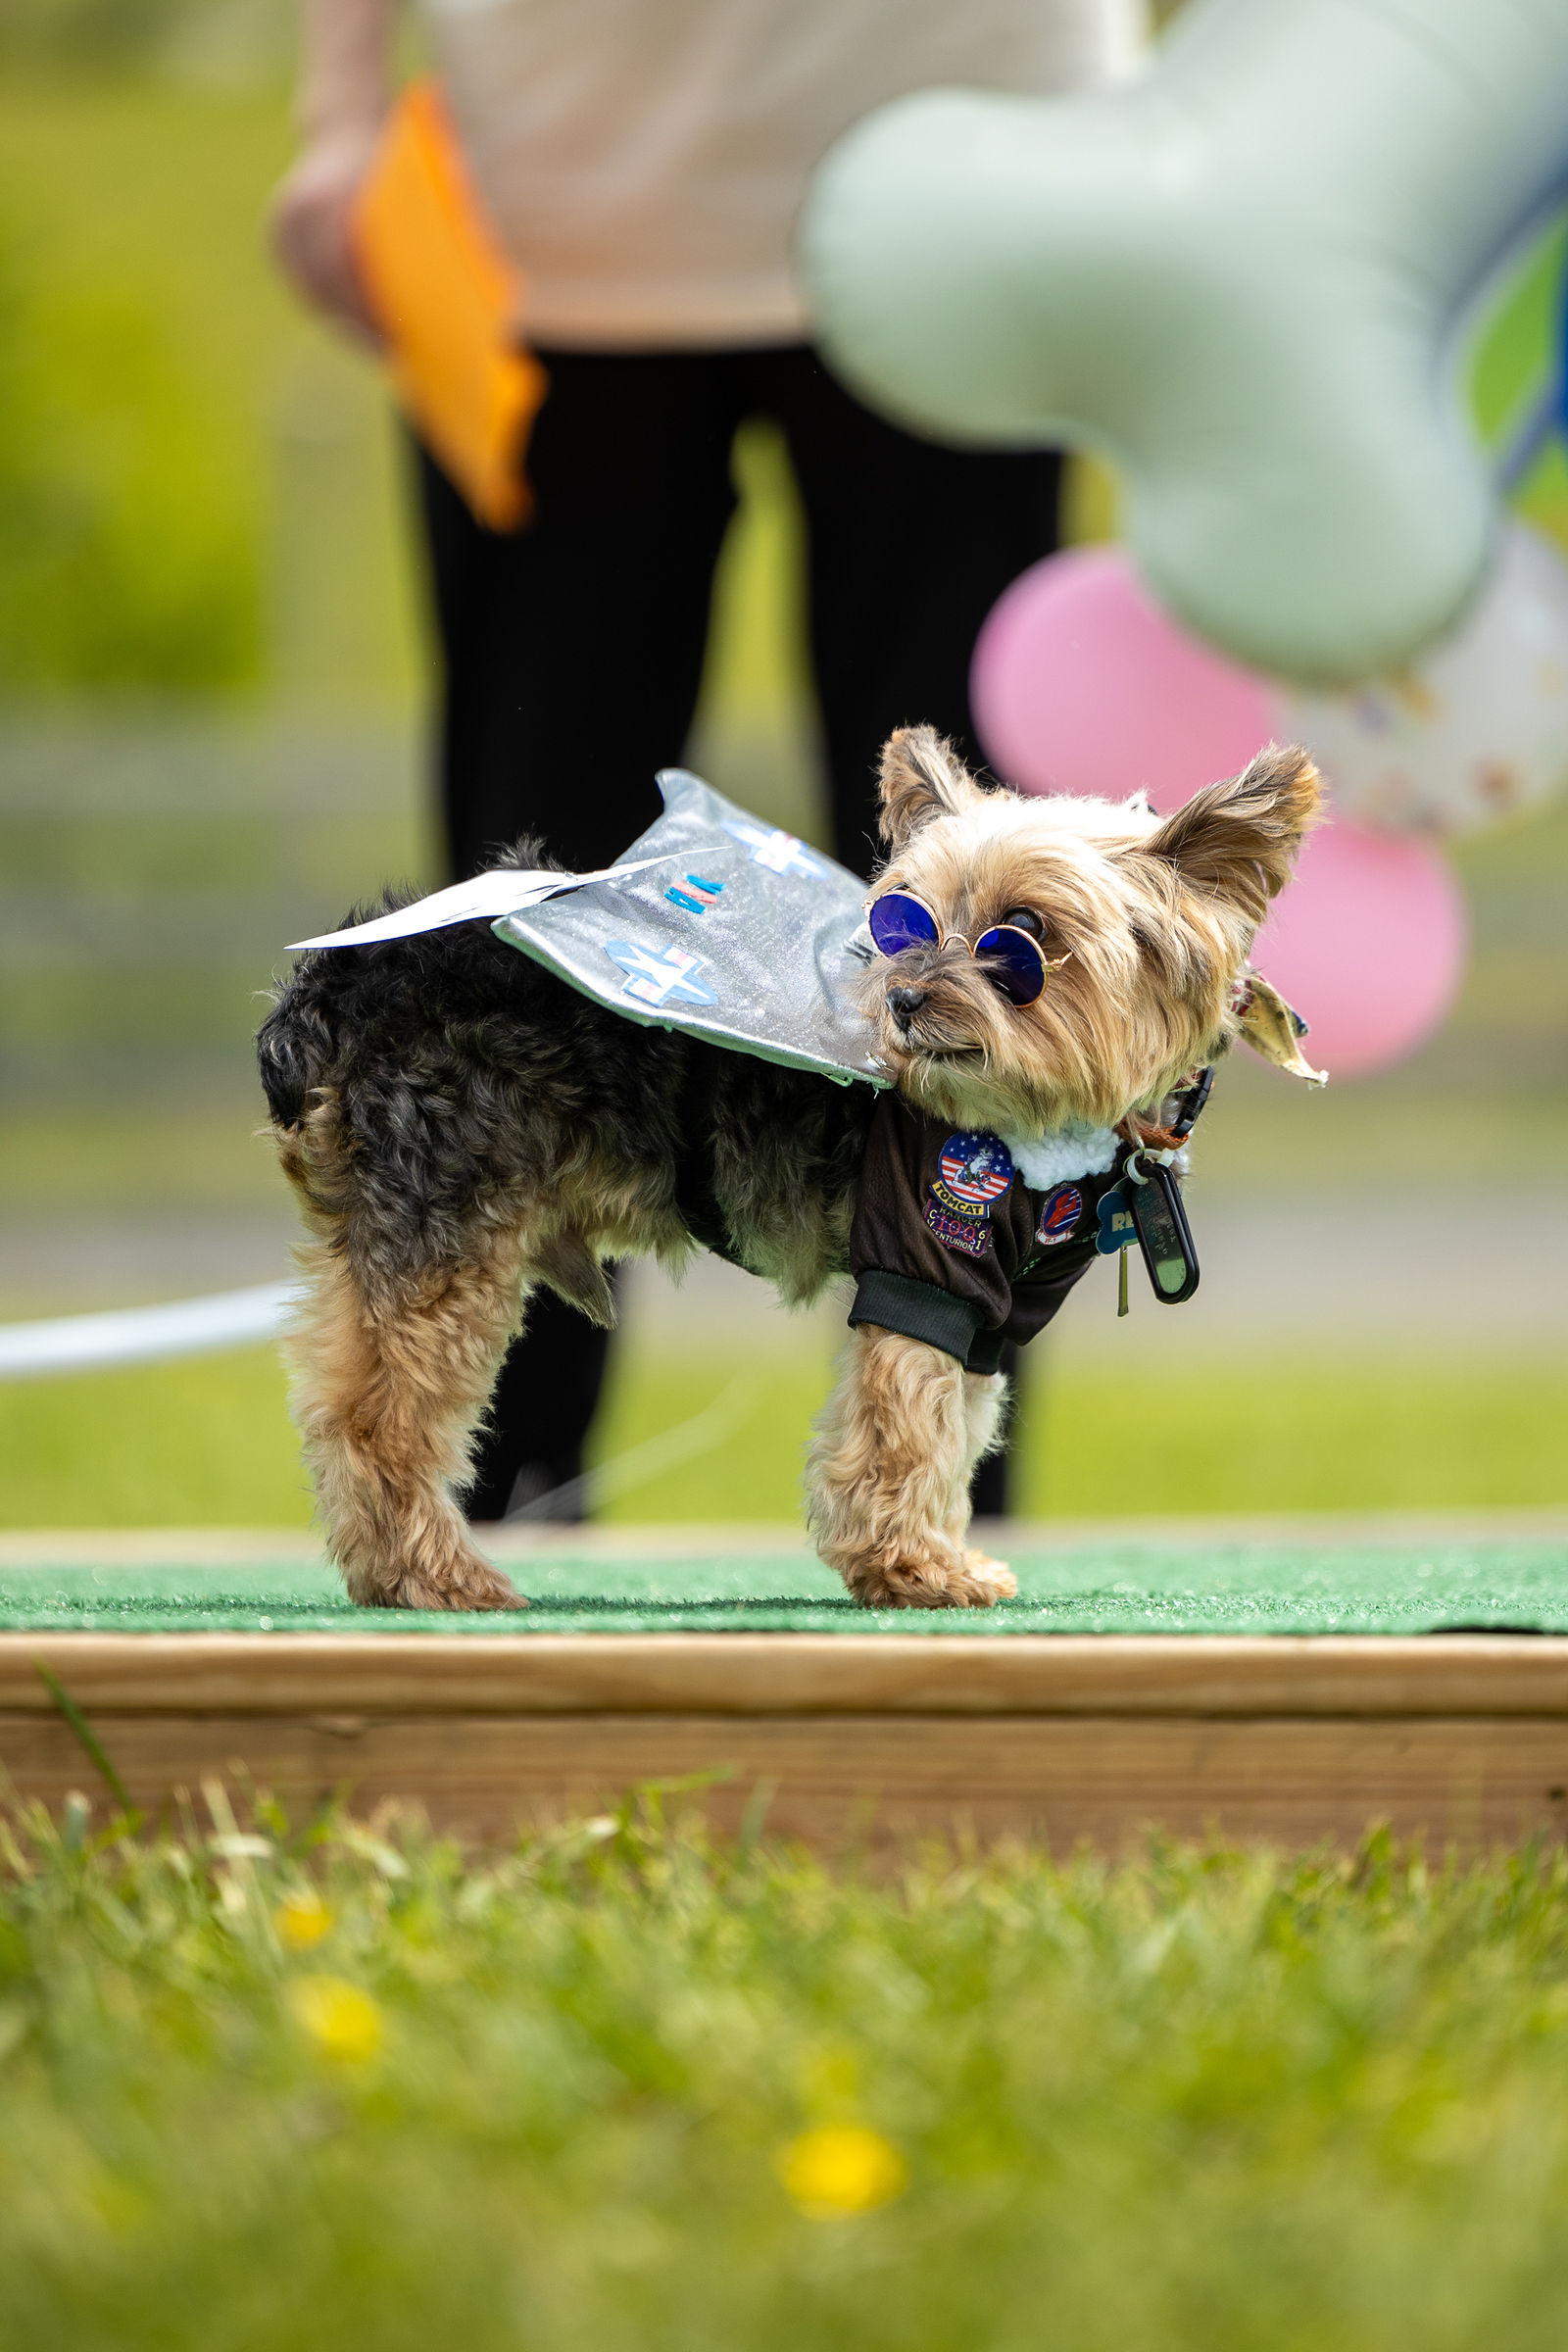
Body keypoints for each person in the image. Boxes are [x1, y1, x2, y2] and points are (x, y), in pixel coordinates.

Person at [270, 0, 1141, 1522]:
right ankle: (487, 1495)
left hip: (976, 177)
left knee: (1002, 930)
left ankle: (935, 1503)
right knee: (527, 904)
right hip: (557, 216)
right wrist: (342, 114)